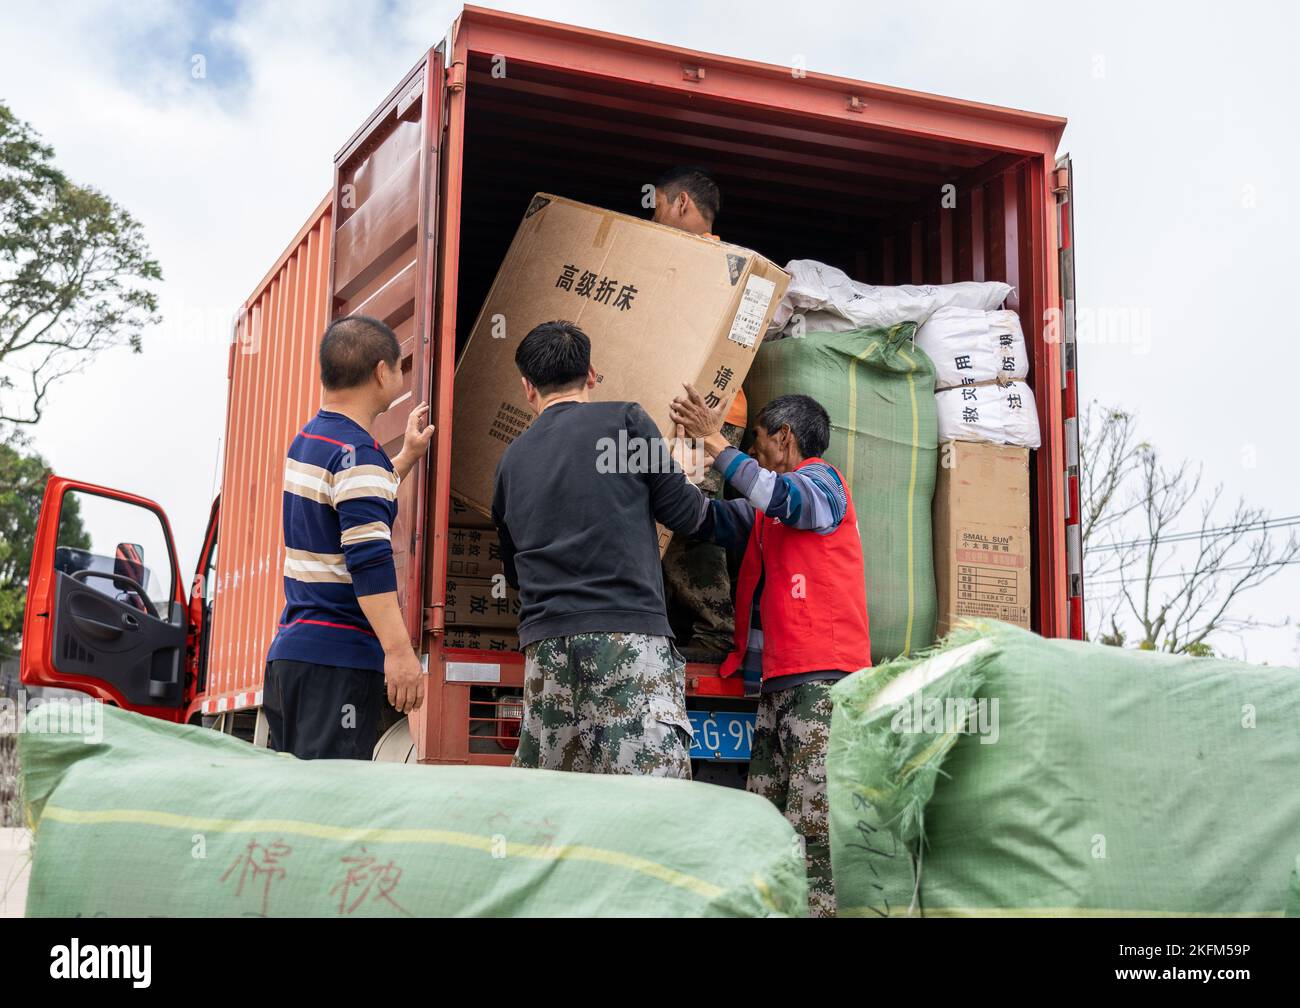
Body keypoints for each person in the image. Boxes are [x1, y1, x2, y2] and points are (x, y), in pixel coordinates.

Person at [670, 386, 872, 918]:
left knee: (816, 828)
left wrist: (714, 441)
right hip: (779, 688)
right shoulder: (766, 512)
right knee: (767, 818)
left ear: (784, 439)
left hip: (823, 684)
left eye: (756, 444)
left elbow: (785, 499)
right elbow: (708, 520)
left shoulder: (824, 486)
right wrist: (667, 479)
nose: (753, 455)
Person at [493, 320, 707, 777]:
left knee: (559, 807)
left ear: (527, 387)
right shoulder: (625, 422)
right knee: (648, 802)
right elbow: (687, 516)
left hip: (546, 648)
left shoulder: (512, 459)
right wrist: (683, 475)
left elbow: (512, 570)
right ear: (591, 373)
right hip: (626, 638)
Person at [264, 315, 434, 760]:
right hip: (337, 664)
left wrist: (403, 460)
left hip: (293, 659)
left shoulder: (309, 441)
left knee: (297, 807)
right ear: (382, 372)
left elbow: (347, 502)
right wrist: (399, 653)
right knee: (330, 811)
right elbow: (368, 560)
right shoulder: (358, 458)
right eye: (400, 367)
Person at [650, 166, 748, 659]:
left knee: (691, 521)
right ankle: (678, 631)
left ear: (682, 202)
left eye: (658, 207)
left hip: (703, 415)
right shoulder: (723, 261)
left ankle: (715, 633)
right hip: (703, 413)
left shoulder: (702, 261)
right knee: (672, 518)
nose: (654, 219)